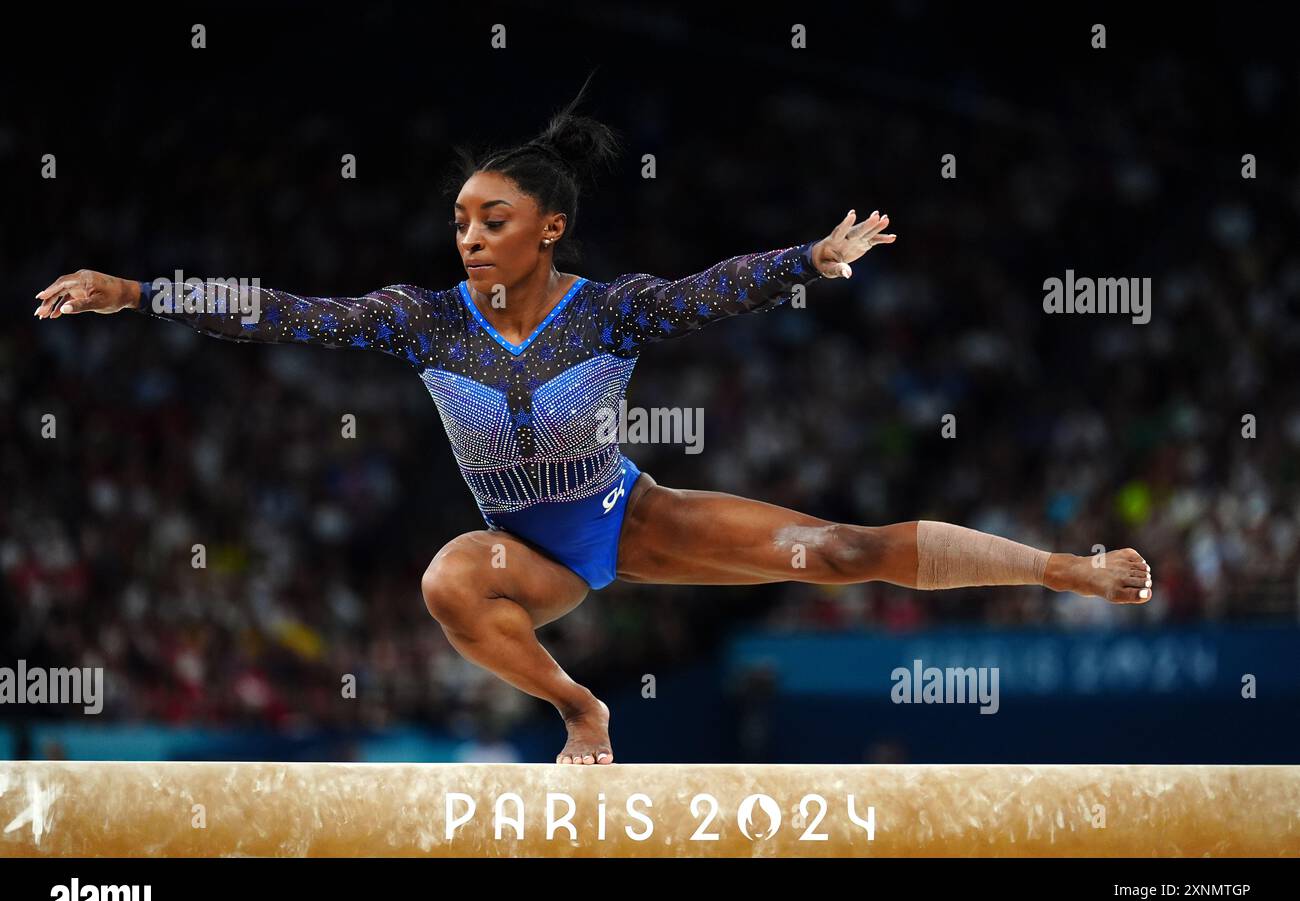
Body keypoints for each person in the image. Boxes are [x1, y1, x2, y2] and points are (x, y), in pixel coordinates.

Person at [34, 90, 1152, 767]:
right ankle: (581, 710)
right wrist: (141, 292)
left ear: (548, 228)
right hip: (529, 554)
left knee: (846, 552)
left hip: (630, 515)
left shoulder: (608, 310)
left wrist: (807, 262)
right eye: (460, 220)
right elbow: (283, 313)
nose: (468, 237)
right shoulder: (417, 322)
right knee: (445, 580)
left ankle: (1065, 568)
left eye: (493, 219)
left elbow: (711, 289)